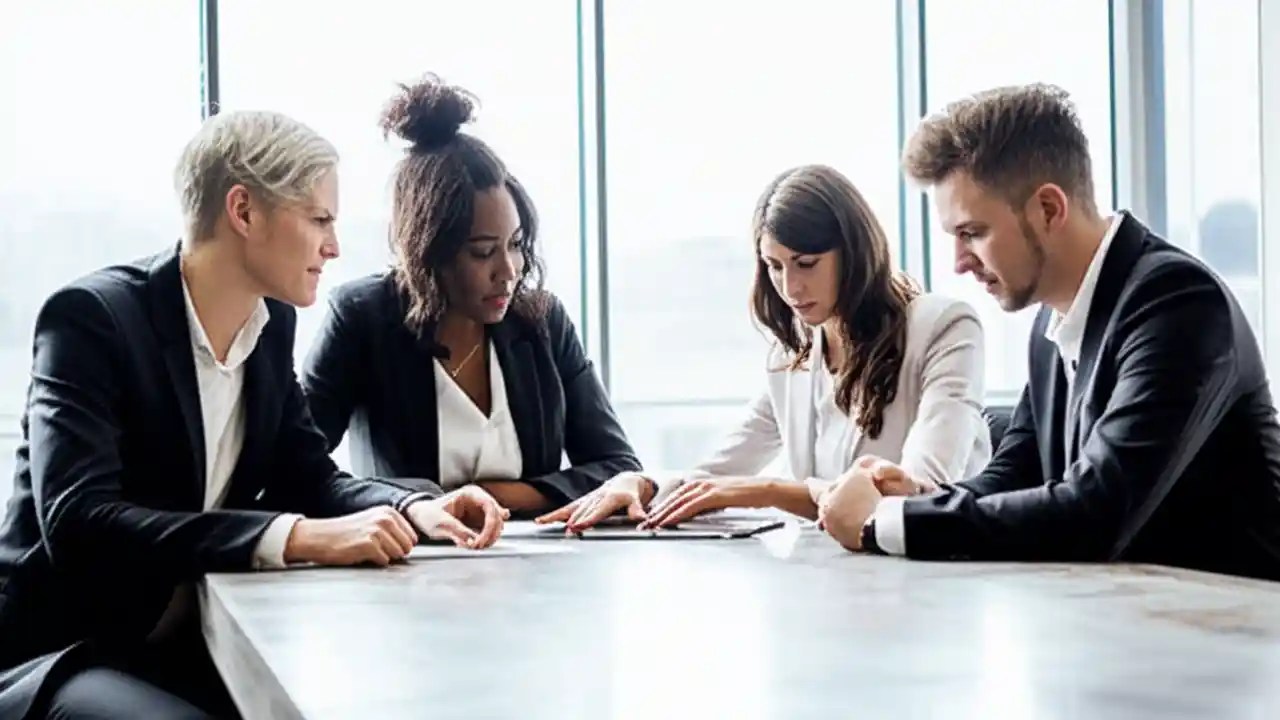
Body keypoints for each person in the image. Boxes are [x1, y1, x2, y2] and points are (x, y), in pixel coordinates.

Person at [0, 110, 508, 719]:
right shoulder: (92, 319)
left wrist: (414, 506)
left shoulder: (270, 326)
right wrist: (294, 537)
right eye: (319, 218)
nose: (334, 245)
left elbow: (309, 477)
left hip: (193, 642)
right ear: (243, 211)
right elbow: (79, 523)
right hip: (64, 653)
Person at [819, 83, 1280, 582]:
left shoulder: (1177, 303)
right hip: (1140, 624)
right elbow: (1016, 470)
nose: (958, 263)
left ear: (1048, 209)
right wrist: (918, 497)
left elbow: (1095, 511)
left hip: (1243, 633)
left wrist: (881, 522)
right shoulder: (1051, 323)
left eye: (973, 232)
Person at [539, 164, 991, 531]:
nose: (790, 287)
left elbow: (921, 492)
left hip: (933, 578)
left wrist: (768, 492)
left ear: (854, 251)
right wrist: (641, 485)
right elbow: (717, 475)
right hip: (841, 585)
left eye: (806, 264)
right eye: (774, 266)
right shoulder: (791, 358)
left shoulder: (944, 327)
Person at [301, 74, 640, 517]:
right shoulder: (363, 318)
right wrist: (418, 505)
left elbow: (618, 467)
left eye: (516, 245)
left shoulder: (541, 320)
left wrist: (497, 496)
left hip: (537, 569)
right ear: (430, 251)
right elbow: (298, 472)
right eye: (482, 252)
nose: (509, 272)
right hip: (407, 570)